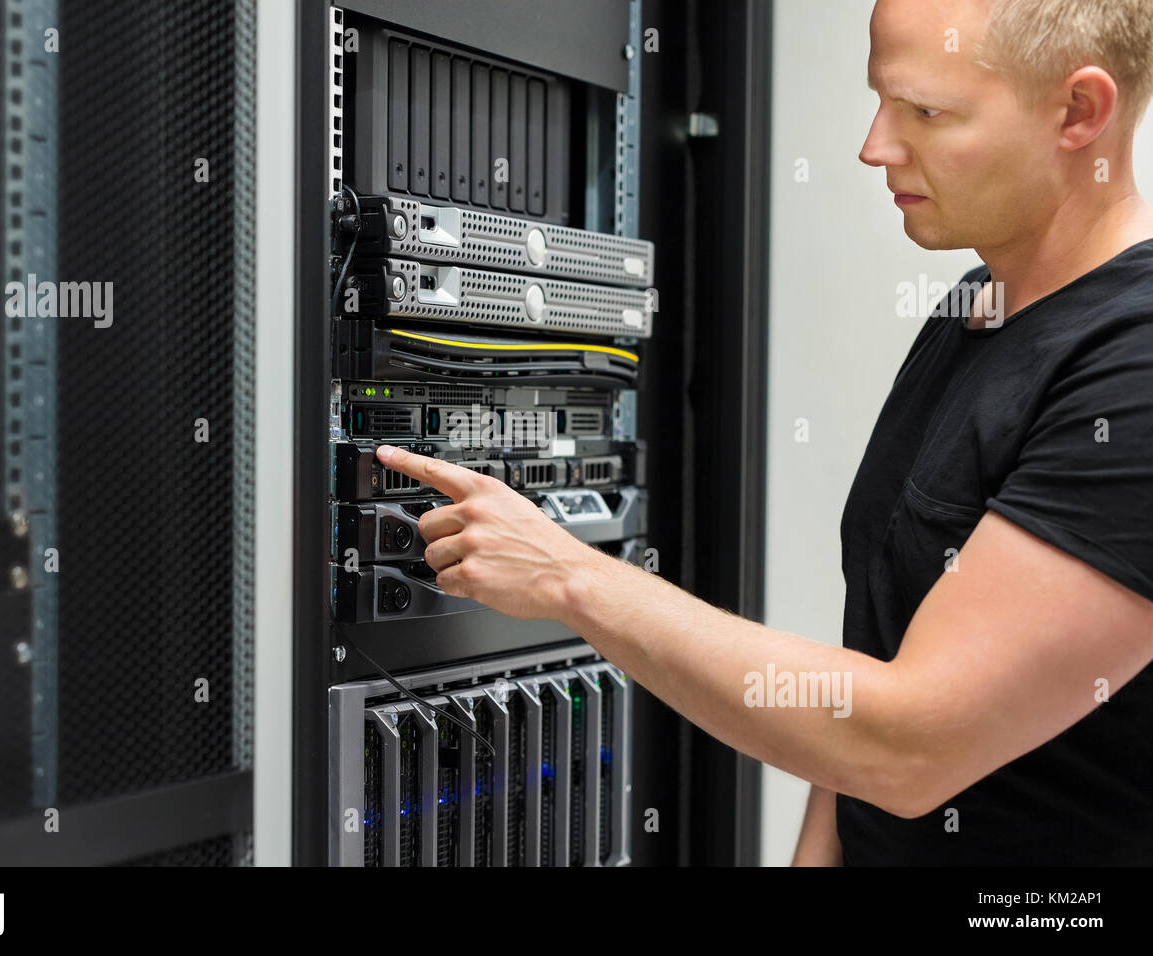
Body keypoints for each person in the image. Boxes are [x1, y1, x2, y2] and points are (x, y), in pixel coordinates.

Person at [374, 0, 1153, 865]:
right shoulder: (976, 310)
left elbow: (908, 743)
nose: (875, 146)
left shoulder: (1133, 363)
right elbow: (874, 669)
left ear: (1080, 113)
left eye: (925, 112)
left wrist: (570, 576)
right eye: (879, 101)